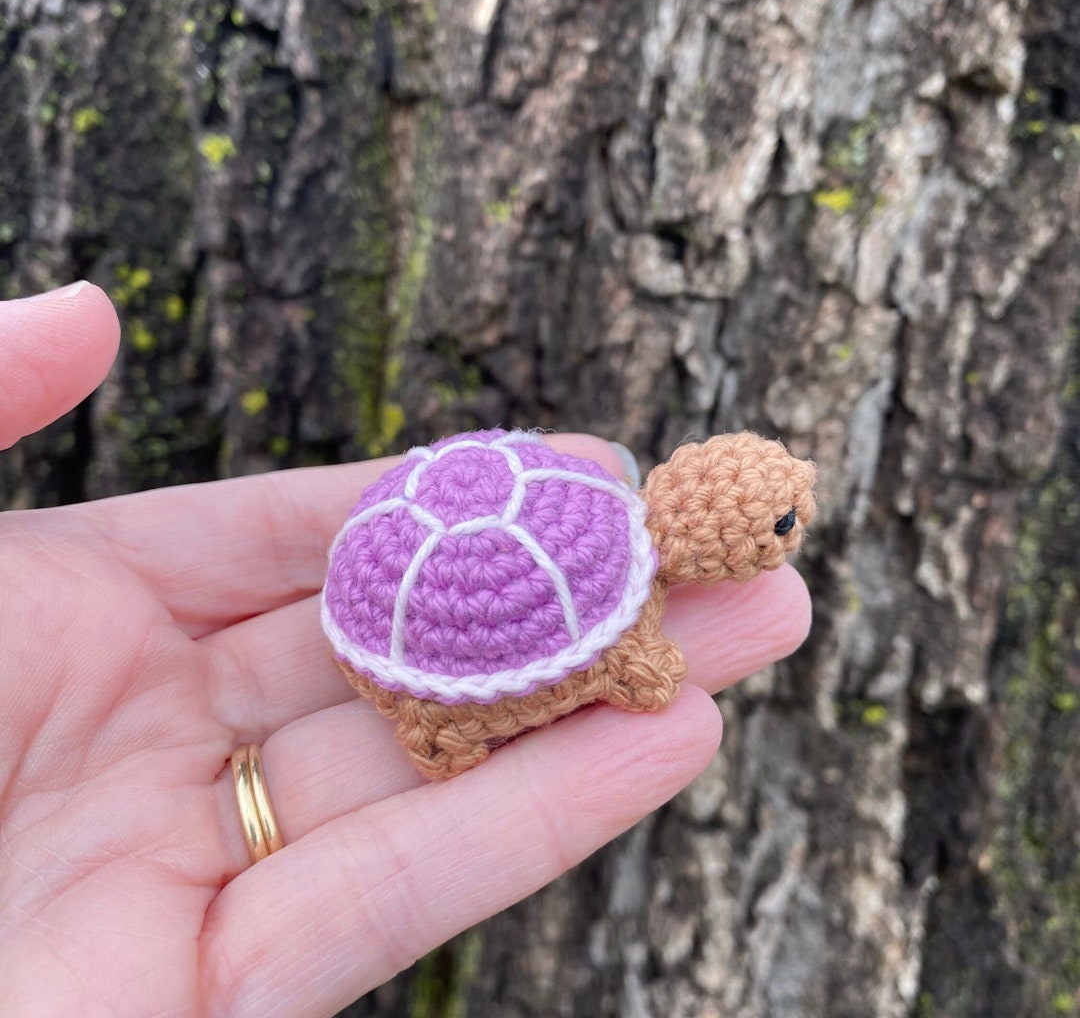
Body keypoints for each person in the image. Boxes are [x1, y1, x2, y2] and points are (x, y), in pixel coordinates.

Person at [0, 282, 812, 1016]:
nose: (788, 534)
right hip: (408, 653)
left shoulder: (589, 508)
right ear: (712, 543)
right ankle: (439, 729)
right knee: (497, 717)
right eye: (777, 527)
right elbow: (631, 668)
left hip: (378, 592)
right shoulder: (612, 595)